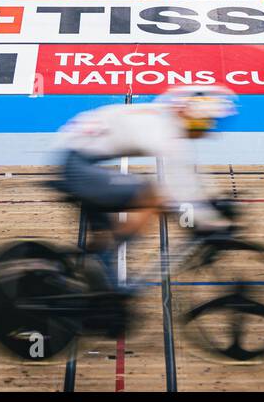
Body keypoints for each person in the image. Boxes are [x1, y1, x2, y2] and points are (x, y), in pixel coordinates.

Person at [53, 86, 238, 290]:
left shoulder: (162, 118)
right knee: (152, 195)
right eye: (207, 124)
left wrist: (210, 202)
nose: (207, 130)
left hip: (74, 159)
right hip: (78, 166)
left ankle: (91, 277)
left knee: (102, 240)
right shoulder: (165, 130)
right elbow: (178, 186)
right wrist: (208, 222)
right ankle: (108, 260)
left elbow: (189, 174)